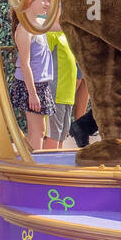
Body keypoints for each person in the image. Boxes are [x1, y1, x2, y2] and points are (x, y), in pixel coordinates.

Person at [11, 0, 54, 151]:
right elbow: (24, 64)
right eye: (43, 0)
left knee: (36, 130)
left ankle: (28, 162)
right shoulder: (24, 29)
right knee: (38, 131)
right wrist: (33, 94)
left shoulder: (40, 24)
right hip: (31, 85)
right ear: (30, 2)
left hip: (39, 84)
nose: (46, 3)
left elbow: (58, 22)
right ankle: (33, 167)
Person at [44, 15, 78, 149]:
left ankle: (57, 163)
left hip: (68, 95)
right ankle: (48, 166)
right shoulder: (51, 34)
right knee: (53, 134)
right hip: (56, 94)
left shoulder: (67, 36)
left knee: (62, 134)